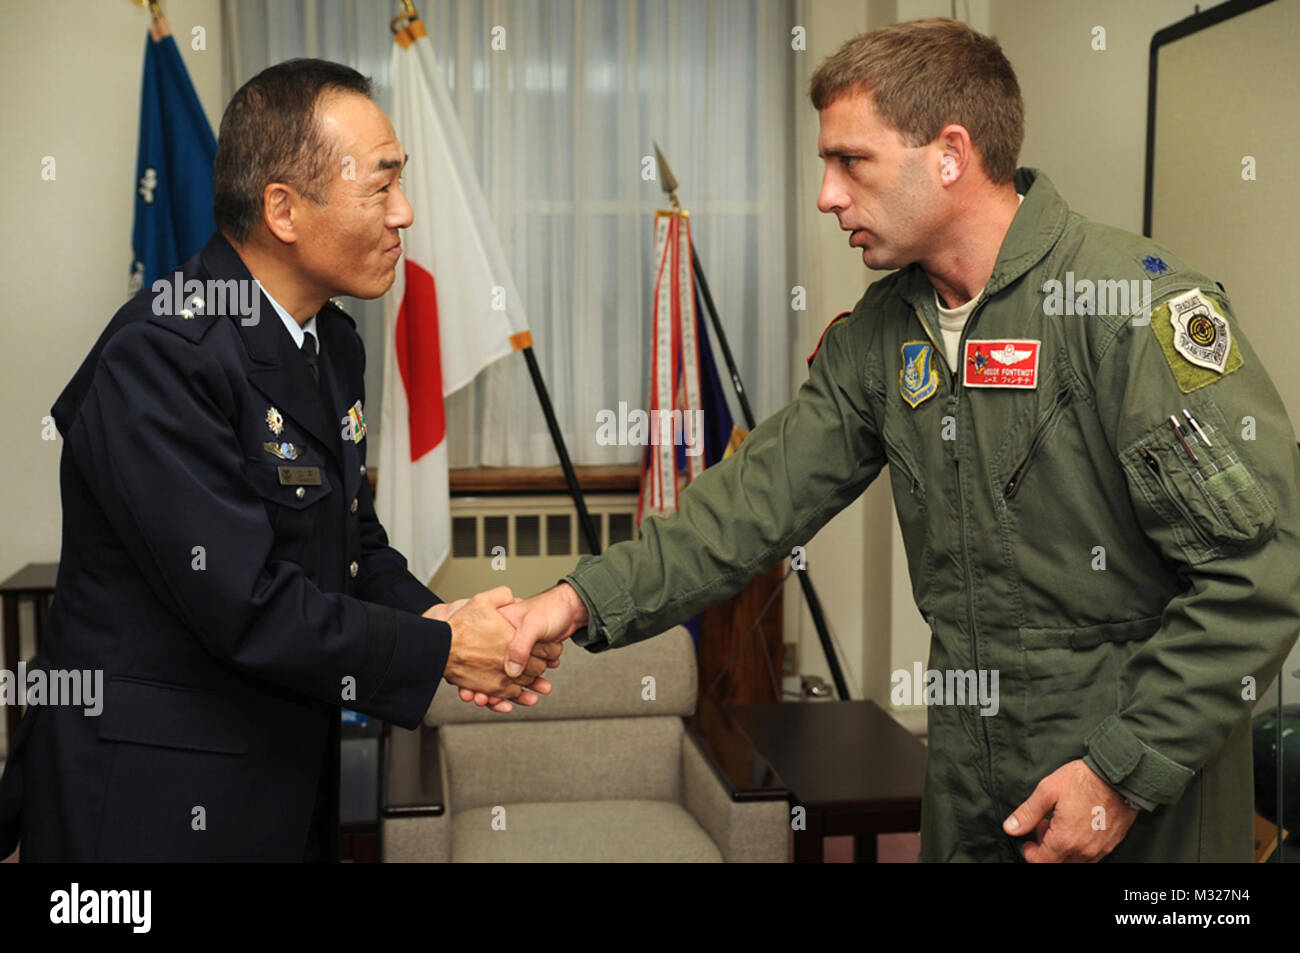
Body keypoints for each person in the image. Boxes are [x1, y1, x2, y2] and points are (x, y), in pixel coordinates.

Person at [485, 19, 1300, 862]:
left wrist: (1118, 771)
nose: (827, 195)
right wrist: (577, 599)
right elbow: (750, 504)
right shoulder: (883, 335)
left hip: (1145, 793)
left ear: (949, 153)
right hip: (970, 778)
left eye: (851, 162)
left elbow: (1259, 570)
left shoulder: (1129, 309)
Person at [0, 59, 559, 862]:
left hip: (277, 777)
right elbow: (247, 605)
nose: (405, 213)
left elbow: (351, 546)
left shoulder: (330, 342)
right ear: (284, 210)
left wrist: (458, 623)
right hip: (150, 805)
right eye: (380, 186)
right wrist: (441, 649)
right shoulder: (161, 356)